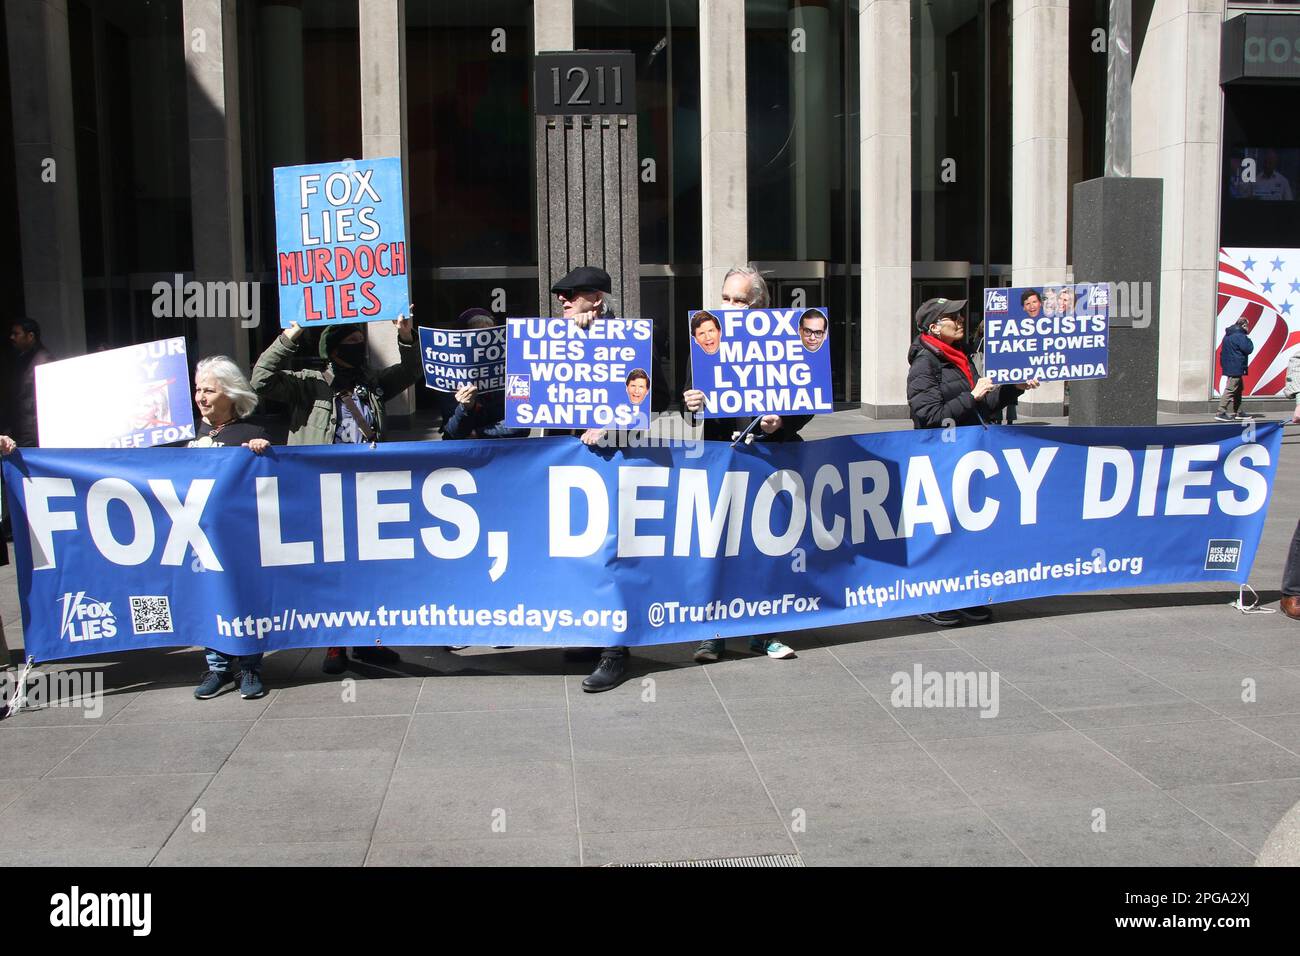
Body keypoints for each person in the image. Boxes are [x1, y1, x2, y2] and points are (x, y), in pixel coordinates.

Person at [251, 313, 419, 674]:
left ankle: (368, 640)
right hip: (322, 492)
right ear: (334, 347)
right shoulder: (307, 383)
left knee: (369, 568)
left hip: (366, 490)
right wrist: (290, 335)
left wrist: (405, 336)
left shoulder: (370, 384)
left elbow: (409, 372)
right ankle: (334, 644)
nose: (359, 347)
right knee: (331, 569)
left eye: (362, 341)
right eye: (352, 342)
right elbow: (261, 379)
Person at [547, 265, 669, 691]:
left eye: (572, 294)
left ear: (596, 299)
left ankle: (615, 651)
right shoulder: (558, 337)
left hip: (616, 462)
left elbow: (660, 395)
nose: (562, 300)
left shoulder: (631, 339)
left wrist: (614, 423)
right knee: (575, 549)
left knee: (613, 553)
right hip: (569, 465)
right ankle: (588, 632)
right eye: (560, 294)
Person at [682, 266, 807, 664]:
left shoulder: (786, 342)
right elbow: (690, 412)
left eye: (739, 300)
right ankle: (712, 635)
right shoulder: (703, 341)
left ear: (759, 306)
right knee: (719, 546)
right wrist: (691, 407)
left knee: (766, 547)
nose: (730, 307)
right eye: (726, 298)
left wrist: (781, 420)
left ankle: (763, 632)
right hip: (722, 459)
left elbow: (807, 398)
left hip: (769, 458)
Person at [906, 297, 1039, 626]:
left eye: (961, 314)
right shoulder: (926, 362)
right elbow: (929, 415)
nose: (961, 319)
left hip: (970, 453)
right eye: (953, 316)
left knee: (967, 528)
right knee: (942, 528)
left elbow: (984, 406)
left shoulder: (960, 357)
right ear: (934, 326)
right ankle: (933, 599)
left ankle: (964, 595)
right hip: (942, 455)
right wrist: (974, 395)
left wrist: (1012, 389)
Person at [185, 357, 275, 700]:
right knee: (211, 597)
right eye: (198, 389)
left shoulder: (252, 434)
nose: (201, 396)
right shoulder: (187, 433)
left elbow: (270, 485)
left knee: (244, 597)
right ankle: (217, 668)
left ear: (231, 393)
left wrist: (262, 454)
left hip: (242, 538)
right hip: (198, 537)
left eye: (209, 389)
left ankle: (250, 667)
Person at [8, 318, 55, 447]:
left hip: (34, 433)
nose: (12, 337)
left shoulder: (43, 360)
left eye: (16, 334)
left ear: (30, 336)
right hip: (21, 429)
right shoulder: (22, 358)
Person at [1216, 317, 1253, 422]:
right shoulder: (1240, 336)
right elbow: (1248, 349)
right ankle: (1221, 412)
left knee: (1238, 388)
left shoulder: (1228, 335)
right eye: (1247, 326)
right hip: (1236, 366)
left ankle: (1238, 412)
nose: (1248, 328)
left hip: (1230, 365)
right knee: (1231, 389)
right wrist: (1247, 338)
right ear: (1244, 325)